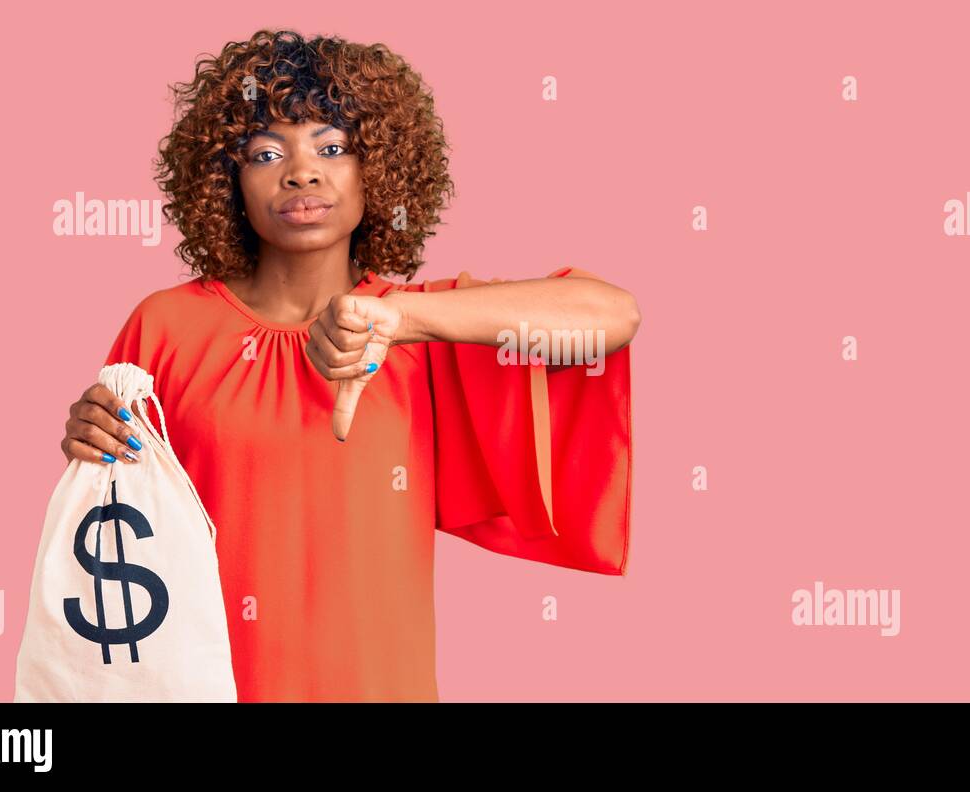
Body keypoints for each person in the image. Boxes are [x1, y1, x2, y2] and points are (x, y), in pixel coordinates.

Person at [58, 30, 639, 702]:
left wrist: (405, 321)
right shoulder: (164, 326)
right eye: (266, 153)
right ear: (227, 182)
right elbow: (113, 539)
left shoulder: (422, 327)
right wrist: (88, 441)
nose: (302, 173)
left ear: (379, 170)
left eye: (332, 148)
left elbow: (611, 315)